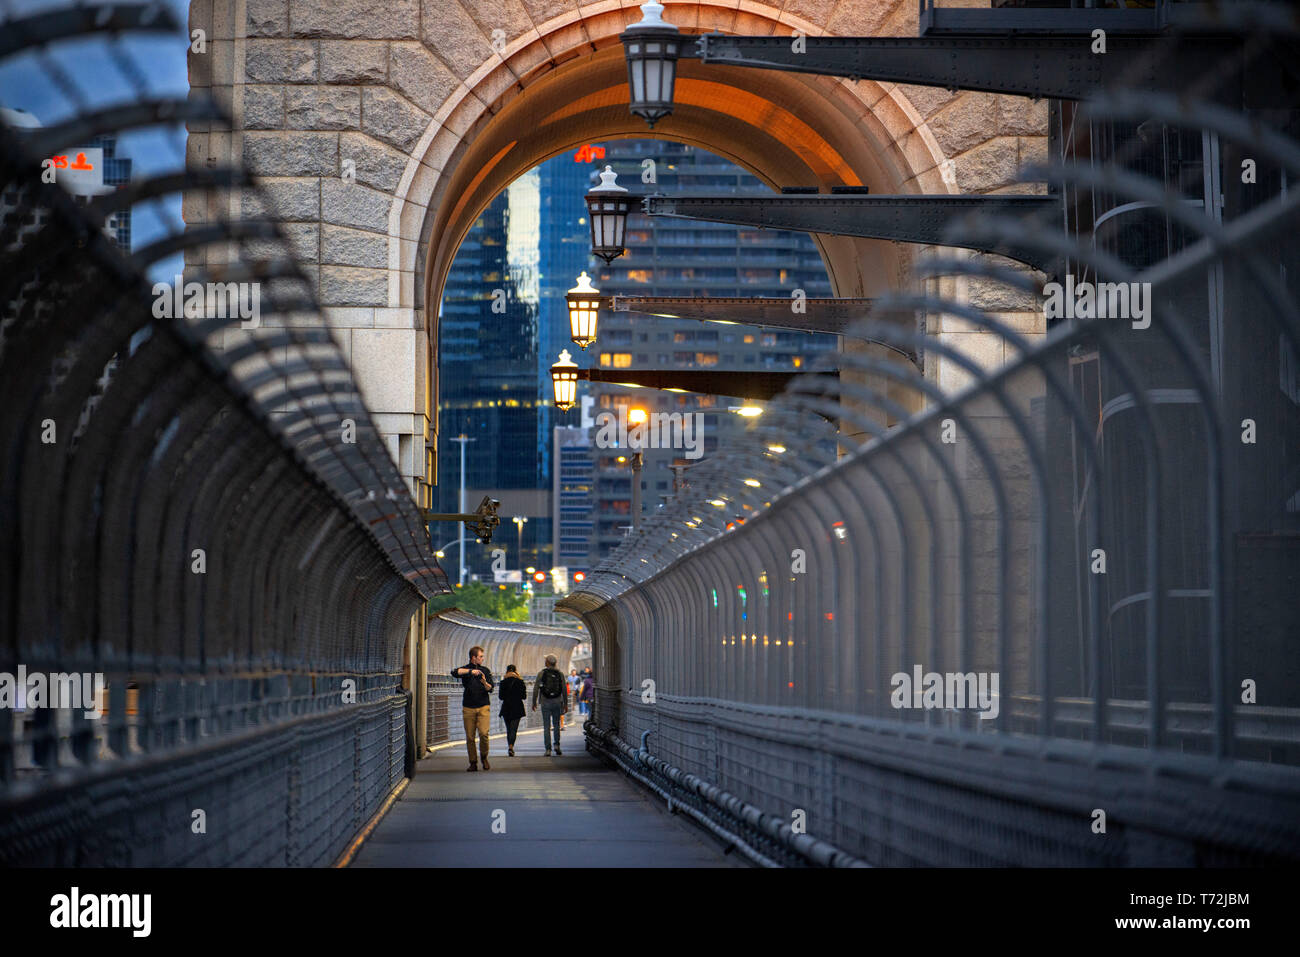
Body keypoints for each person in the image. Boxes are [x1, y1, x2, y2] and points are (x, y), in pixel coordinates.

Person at [451, 645, 494, 771]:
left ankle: (484, 757)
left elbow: (490, 688)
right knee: (470, 736)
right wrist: (470, 672)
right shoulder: (466, 669)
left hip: (483, 706)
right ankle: (473, 762)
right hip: (468, 706)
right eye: (480, 656)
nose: (482, 659)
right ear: (473, 658)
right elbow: (454, 672)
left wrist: (485, 682)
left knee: (484, 733)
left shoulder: (485, 670)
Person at [531, 654, 569, 756]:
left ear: (547, 662)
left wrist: (534, 702)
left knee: (546, 726)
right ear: (555, 663)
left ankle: (548, 749)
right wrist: (566, 703)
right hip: (557, 702)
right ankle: (557, 745)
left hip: (545, 702)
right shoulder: (560, 673)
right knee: (556, 725)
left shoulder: (541, 673)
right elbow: (564, 689)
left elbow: (536, 688)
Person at [498, 665, 527, 756]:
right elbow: (524, 697)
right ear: (516, 671)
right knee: (513, 730)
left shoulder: (503, 682)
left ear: (506, 671)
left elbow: (501, 697)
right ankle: (511, 747)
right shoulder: (520, 682)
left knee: (509, 729)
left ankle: (510, 746)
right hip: (517, 708)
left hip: (506, 707)